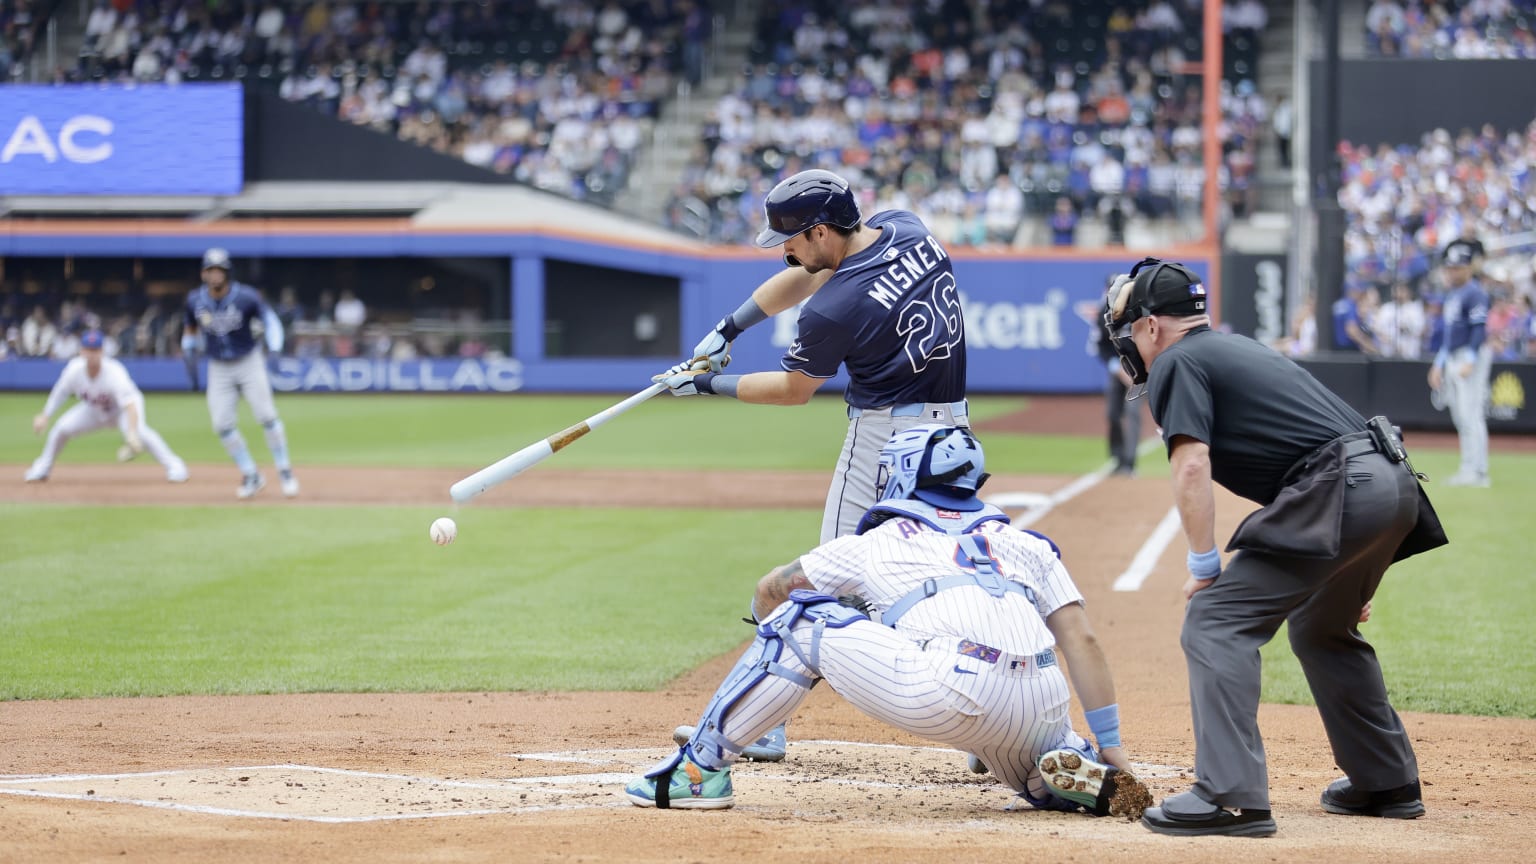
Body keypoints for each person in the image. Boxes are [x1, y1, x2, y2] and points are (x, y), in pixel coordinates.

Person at [625, 425, 1152, 819]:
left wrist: (773, 643)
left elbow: (772, 589)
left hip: (954, 694)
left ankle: (700, 771)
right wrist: (1115, 746)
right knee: (1031, 763)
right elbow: (1082, 640)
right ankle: (1067, 767)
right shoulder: (1026, 545)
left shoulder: (876, 543)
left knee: (798, 618)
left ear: (904, 477)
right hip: (1043, 701)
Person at [1102, 257, 1446, 838]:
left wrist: (1205, 565)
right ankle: (1386, 781)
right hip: (1389, 482)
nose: (1130, 343)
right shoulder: (1235, 348)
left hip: (1342, 487)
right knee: (1321, 625)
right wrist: (1351, 573)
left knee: (1214, 620)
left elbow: (1191, 467)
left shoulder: (1177, 362)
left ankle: (1229, 798)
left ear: (1152, 326)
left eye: (1131, 329)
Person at [653, 168, 968, 763]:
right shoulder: (907, 228)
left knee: (805, 588)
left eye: (793, 240)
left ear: (821, 231)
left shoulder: (835, 308)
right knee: (951, 578)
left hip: (884, 441)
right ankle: (993, 716)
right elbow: (802, 276)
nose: (787, 253)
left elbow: (795, 390)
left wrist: (709, 386)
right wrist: (728, 329)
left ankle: (756, 722)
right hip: (954, 435)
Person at [182, 247, 299, 499]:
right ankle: (251, 473)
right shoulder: (195, 300)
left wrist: (275, 349)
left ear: (228, 273)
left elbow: (270, 321)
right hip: (218, 366)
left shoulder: (246, 296)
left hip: (248, 361)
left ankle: (284, 469)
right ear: (203, 273)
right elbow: (190, 330)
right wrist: (188, 353)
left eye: (219, 270)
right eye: (210, 270)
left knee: (267, 416)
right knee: (222, 424)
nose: (215, 275)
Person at [26, 329, 189, 484]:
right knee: (61, 428)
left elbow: (130, 405)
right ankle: (42, 468)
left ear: (102, 352)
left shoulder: (114, 373)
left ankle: (175, 466)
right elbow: (59, 393)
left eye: (95, 349)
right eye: (88, 349)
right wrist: (45, 415)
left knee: (142, 433)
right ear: (81, 351)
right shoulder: (73, 370)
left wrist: (132, 433)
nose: (91, 354)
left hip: (122, 411)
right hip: (94, 410)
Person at [1427, 239, 1492, 486]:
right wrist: (1438, 364)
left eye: (1457, 267)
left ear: (1468, 268)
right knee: (1460, 416)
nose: (1452, 271)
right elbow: (1449, 335)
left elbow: (1478, 329)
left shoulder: (1475, 292)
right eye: (1450, 267)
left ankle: (1479, 472)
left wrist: (1471, 360)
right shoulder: (1453, 293)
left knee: (1471, 414)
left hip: (1469, 354)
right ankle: (1468, 468)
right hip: (1454, 354)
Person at [1095, 275, 1142, 474]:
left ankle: (1129, 464)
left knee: (1132, 415)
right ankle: (1117, 458)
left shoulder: (1138, 311)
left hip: (1137, 372)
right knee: (1113, 414)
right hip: (1117, 370)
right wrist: (1116, 367)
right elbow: (1102, 346)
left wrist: (1136, 371)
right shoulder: (1103, 314)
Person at [1373, 279, 1426, 359]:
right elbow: (1377, 329)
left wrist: (1407, 329)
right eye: (1395, 289)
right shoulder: (1387, 308)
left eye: (1401, 289)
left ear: (1407, 291)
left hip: (1409, 354)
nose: (1397, 293)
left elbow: (1422, 330)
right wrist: (1390, 342)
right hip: (1388, 354)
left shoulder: (1415, 308)